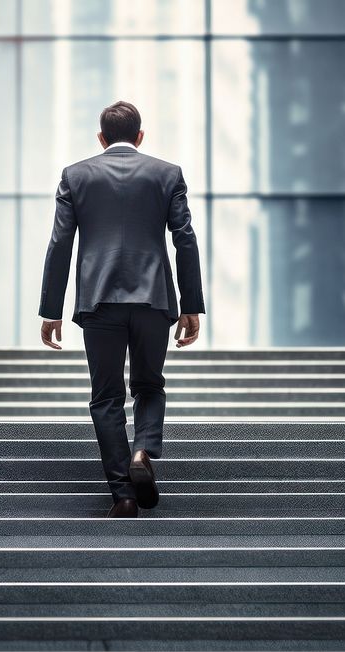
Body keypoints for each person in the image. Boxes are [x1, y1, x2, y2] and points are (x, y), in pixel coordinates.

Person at [38, 100, 206, 518]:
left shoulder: (75, 176)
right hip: (154, 299)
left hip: (98, 302)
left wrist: (51, 309)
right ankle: (143, 450)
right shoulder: (167, 174)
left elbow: (60, 244)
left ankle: (123, 495)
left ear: (101, 138)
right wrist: (192, 305)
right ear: (140, 136)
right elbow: (184, 239)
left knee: (106, 397)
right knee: (149, 386)